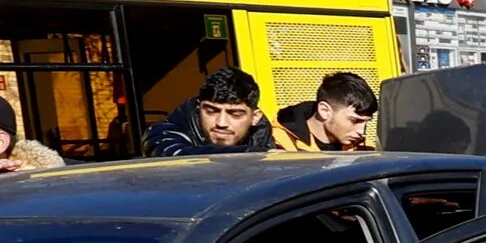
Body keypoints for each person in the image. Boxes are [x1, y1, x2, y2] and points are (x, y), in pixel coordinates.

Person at [144, 66, 286, 156]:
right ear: (198, 108)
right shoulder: (164, 134)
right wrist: (253, 155)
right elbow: (175, 157)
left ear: (255, 117)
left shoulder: (264, 140)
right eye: (211, 111)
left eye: (235, 114)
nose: (221, 123)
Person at [278, 71, 378, 151]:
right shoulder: (277, 144)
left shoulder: (364, 148)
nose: (361, 131)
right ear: (324, 110)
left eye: (366, 122)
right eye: (354, 120)